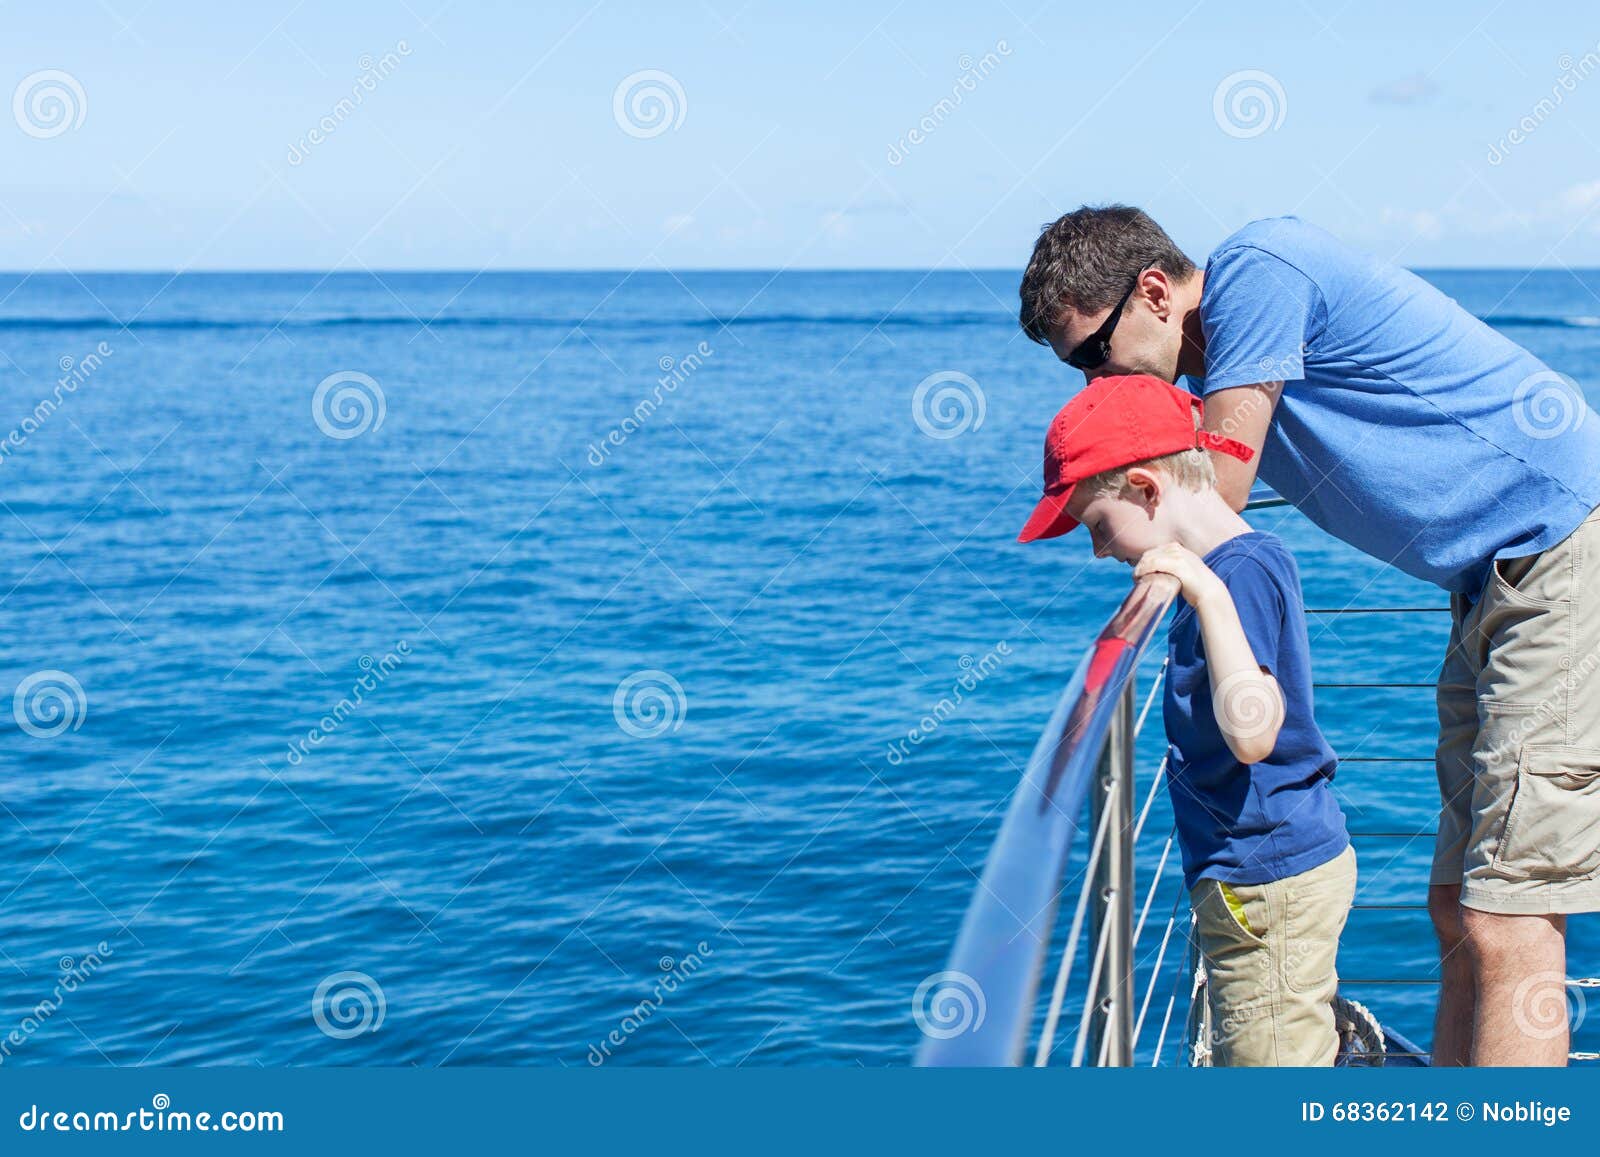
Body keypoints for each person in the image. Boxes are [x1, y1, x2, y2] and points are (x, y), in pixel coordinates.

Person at [1017, 206, 1600, 1066]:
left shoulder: (1260, 266)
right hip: (1490, 581)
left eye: (1092, 355)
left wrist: (1145, 530)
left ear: (1152, 291)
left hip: (1561, 550)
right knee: (1456, 907)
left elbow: (1218, 494)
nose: (1093, 385)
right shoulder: (1213, 371)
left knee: (1509, 914)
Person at [1019, 372, 1355, 1066]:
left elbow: (1253, 730)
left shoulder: (1240, 572)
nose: (1099, 550)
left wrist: (1203, 589)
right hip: (1253, 877)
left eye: (1098, 525)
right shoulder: (1226, 570)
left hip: (1268, 884)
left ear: (1146, 488)